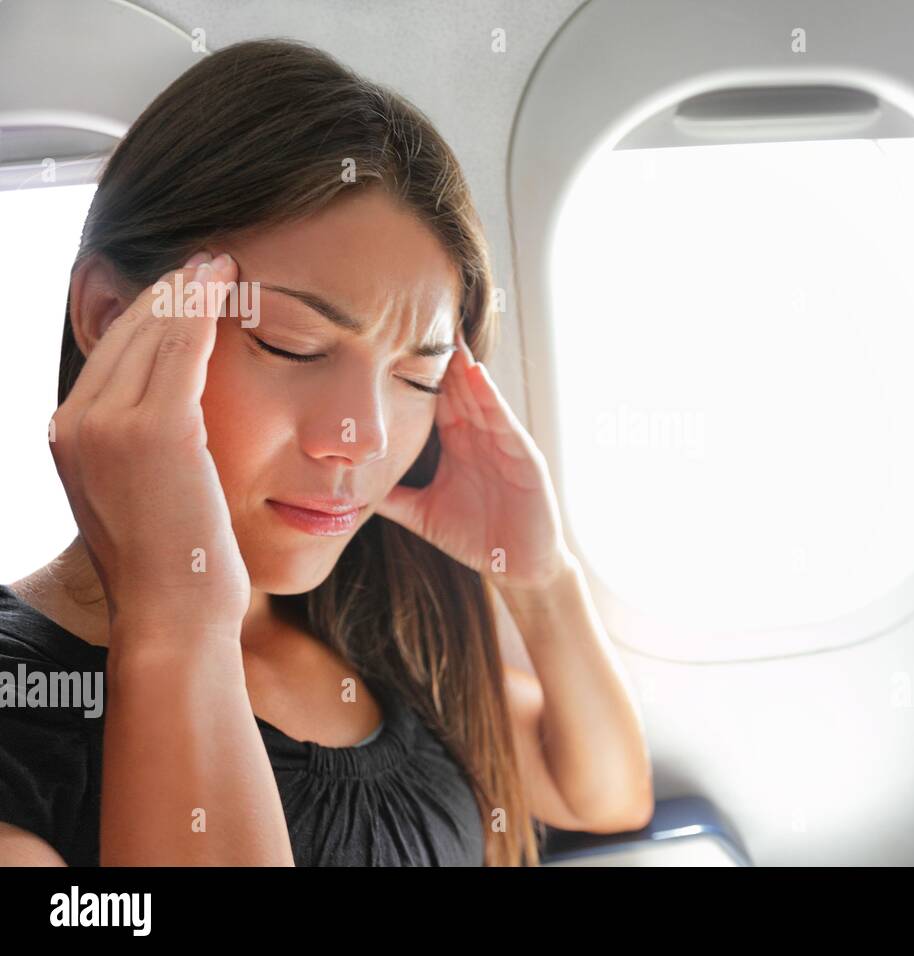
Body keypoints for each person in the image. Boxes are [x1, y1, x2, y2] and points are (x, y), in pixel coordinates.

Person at [0, 38, 653, 867]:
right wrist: (172, 618)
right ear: (108, 315)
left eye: (417, 378)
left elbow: (604, 792)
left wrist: (540, 578)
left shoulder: (366, 630)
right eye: (294, 344)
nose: (364, 438)